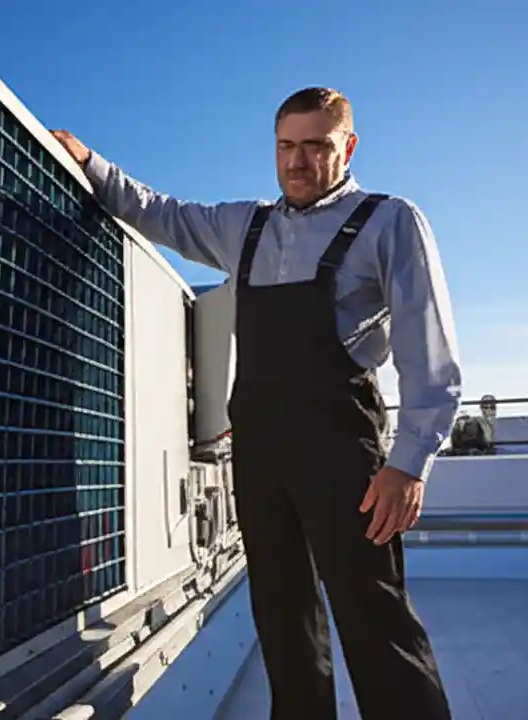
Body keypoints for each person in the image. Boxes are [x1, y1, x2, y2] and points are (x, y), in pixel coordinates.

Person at [53, 86, 460, 719]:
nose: (297, 163)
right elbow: (161, 212)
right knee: (281, 612)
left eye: (316, 147)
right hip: (260, 450)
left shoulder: (390, 221)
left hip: (341, 449)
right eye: (286, 147)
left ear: (347, 147)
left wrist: (408, 465)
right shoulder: (245, 226)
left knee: (371, 613)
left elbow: (429, 355)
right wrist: (90, 164)